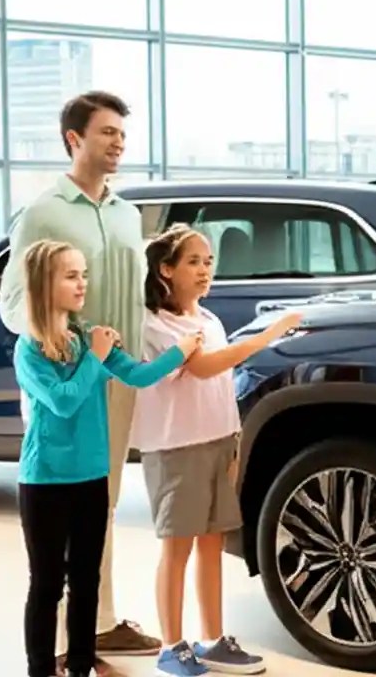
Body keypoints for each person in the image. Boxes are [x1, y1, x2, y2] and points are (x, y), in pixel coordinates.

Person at [0, 91, 161, 675]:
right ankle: (61, 641)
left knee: (105, 501)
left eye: (122, 133)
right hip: (64, 376)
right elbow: (14, 301)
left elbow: (136, 297)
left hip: (115, 376)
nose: (119, 142)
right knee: (62, 513)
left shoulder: (126, 213)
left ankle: (100, 623)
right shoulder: (43, 212)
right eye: (107, 133)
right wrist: (52, 345)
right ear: (74, 139)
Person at [13, 238, 202, 677]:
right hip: (44, 481)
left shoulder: (88, 337)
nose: (83, 284)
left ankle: (81, 665)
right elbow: (64, 401)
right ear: (45, 284)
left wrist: (181, 351)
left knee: (86, 581)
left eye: (84, 274)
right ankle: (40, 668)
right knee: (46, 584)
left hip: (92, 476)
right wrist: (96, 356)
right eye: (71, 275)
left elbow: (137, 375)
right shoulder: (29, 348)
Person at [131, 225, 303, 676]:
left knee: (211, 545)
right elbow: (204, 368)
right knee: (177, 550)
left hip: (219, 442)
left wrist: (234, 442)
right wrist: (269, 336)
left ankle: (212, 640)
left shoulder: (209, 320)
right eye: (194, 261)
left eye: (208, 261)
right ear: (166, 270)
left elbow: (219, 387)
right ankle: (172, 646)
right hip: (175, 449)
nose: (205, 270)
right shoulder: (154, 323)